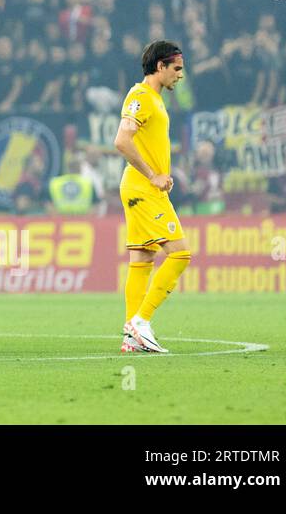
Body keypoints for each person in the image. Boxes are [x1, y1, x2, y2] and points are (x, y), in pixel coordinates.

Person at [114, 40, 192, 354]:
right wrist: (153, 175)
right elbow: (121, 140)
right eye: (176, 69)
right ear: (160, 66)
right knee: (180, 254)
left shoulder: (155, 99)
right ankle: (141, 321)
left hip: (139, 188)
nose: (180, 75)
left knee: (142, 259)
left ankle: (132, 335)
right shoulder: (141, 96)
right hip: (143, 188)